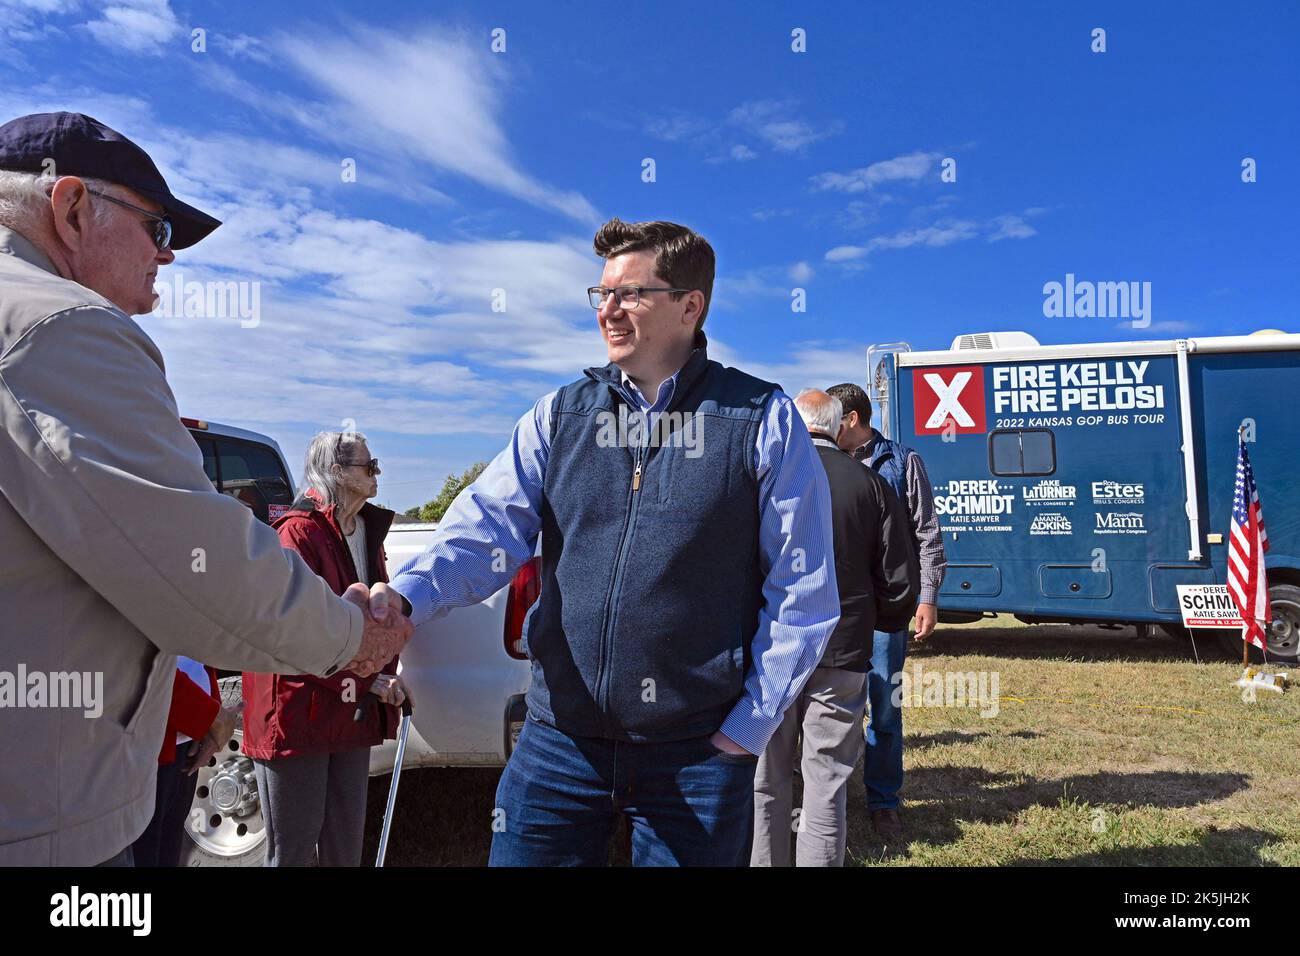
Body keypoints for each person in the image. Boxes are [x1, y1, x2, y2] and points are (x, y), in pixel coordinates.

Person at [0, 112, 411, 867]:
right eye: (157, 227)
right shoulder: (58, 326)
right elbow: (205, 575)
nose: (167, 256)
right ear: (70, 208)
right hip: (37, 823)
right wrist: (360, 642)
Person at [390, 218, 840, 866]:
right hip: (557, 745)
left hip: (697, 754)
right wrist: (402, 601)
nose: (609, 309)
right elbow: (483, 530)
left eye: (631, 293)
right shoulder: (560, 416)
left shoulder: (760, 421)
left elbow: (804, 593)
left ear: (690, 305)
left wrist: (744, 734)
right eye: (601, 294)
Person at [752, 389, 918, 866]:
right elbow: (898, 580)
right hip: (843, 651)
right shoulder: (871, 484)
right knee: (827, 783)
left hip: (772, 654)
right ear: (836, 427)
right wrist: (876, 622)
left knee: (767, 780)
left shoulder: (766, 480)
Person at [242, 431, 411, 866]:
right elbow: (295, 632)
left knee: (345, 847)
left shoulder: (364, 529)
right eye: (368, 467)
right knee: (293, 851)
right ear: (336, 471)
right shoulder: (297, 533)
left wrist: (375, 677)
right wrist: (370, 679)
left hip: (348, 710)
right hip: (297, 712)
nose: (377, 474)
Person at [827, 381, 947, 840]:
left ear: (852, 419)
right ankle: (828, 794)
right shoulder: (821, 461)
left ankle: (882, 801)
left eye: (833, 421)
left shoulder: (902, 461)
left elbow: (927, 533)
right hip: (833, 608)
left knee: (884, 707)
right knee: (830, 704)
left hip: (884, 610)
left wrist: (928, 597)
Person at [131, 660, 237, 867]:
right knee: (143, 852)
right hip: (150, 745)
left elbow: (198, 662)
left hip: (185, 740)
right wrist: (209, 716)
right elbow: (147, 670)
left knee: (169, 846)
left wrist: (211, 716)